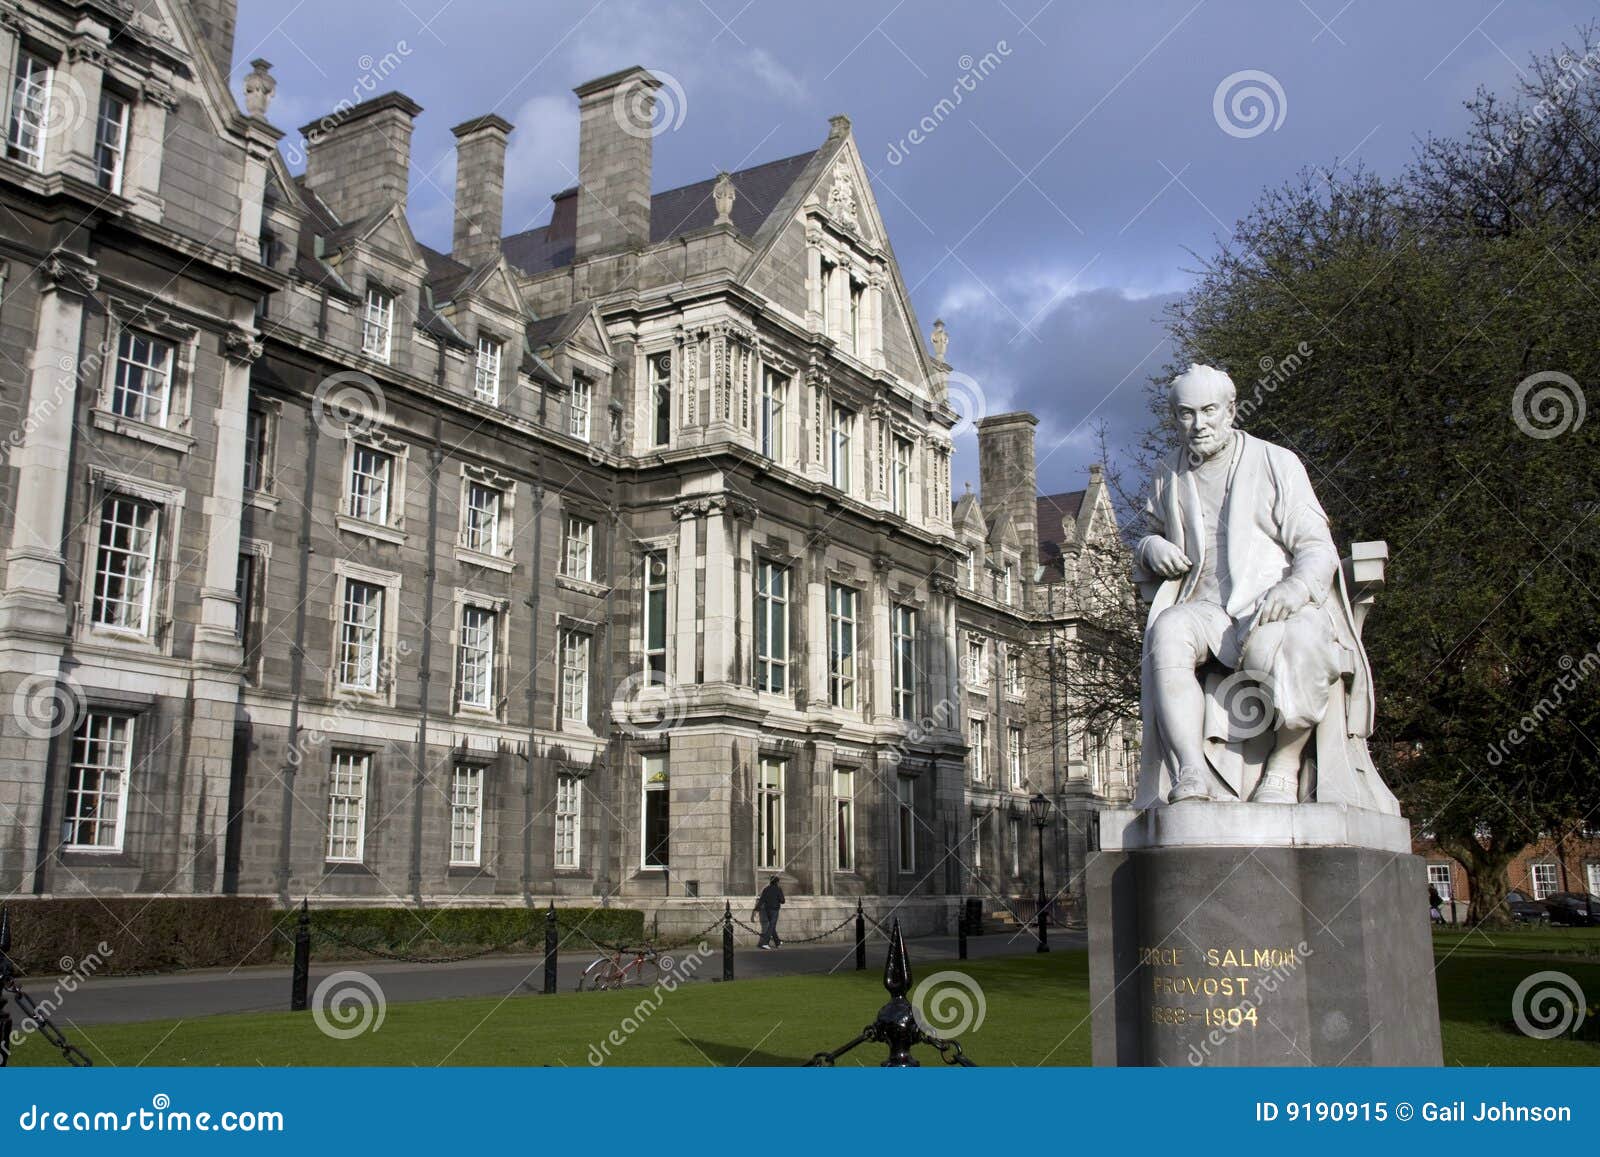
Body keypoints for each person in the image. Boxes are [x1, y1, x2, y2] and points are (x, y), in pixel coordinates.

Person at [1132, 364, 1379, 808]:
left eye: (1208, 410)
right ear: (1175, 418)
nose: (1199, 424)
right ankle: (1190, 772)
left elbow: (1316, 545)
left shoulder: (1275, 461)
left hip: (1272, 599)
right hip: (1205, 606)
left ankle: (1283, 768)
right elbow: (1149, 534)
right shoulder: (1167, 472)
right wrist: (1151, 547)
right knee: (1166, 632)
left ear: (1230, 411)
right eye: (1186, 414)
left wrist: (1296, 589)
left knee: (1297, 641)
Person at [754, 876, 784, 949]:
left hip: (767, 910)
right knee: (771, 925)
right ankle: (765, 943)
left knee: (772, 925)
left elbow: (762, 900)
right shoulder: (778, 889)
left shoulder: (766, 889)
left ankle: (777, 942)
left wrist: (756, 910)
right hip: (775, 910)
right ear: (777, 882)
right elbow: (782, 900)